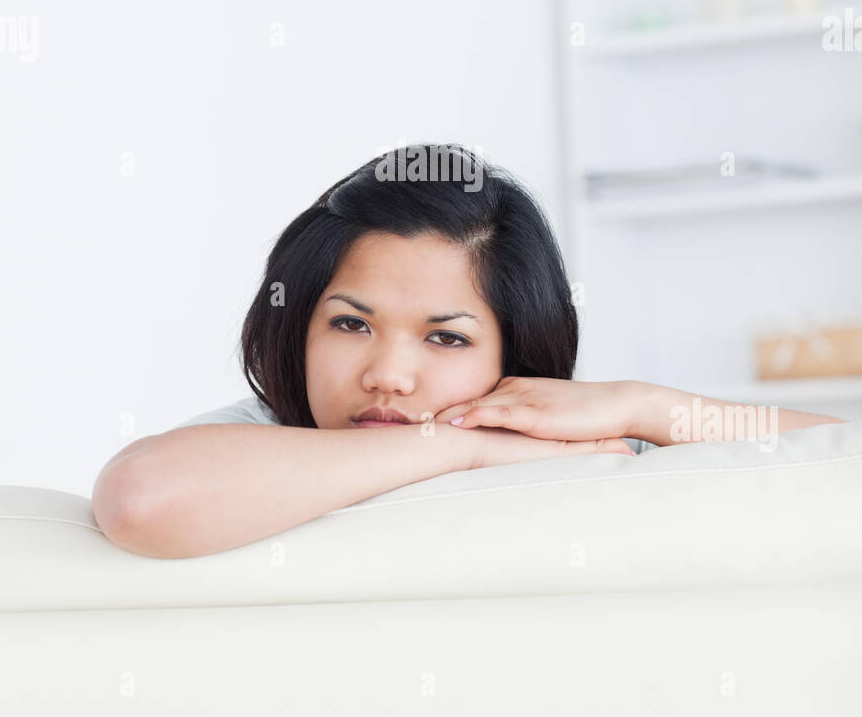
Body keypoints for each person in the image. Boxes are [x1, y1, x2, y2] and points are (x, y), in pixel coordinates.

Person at [91, 143, 844, 558]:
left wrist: (645, 405)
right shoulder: (264, 442)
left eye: (445, 337)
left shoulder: (578, 451)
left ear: (515, 353)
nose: (386, 374)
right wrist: (464, 450)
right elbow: (143, 500)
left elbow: (842, 467)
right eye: (350, 324)